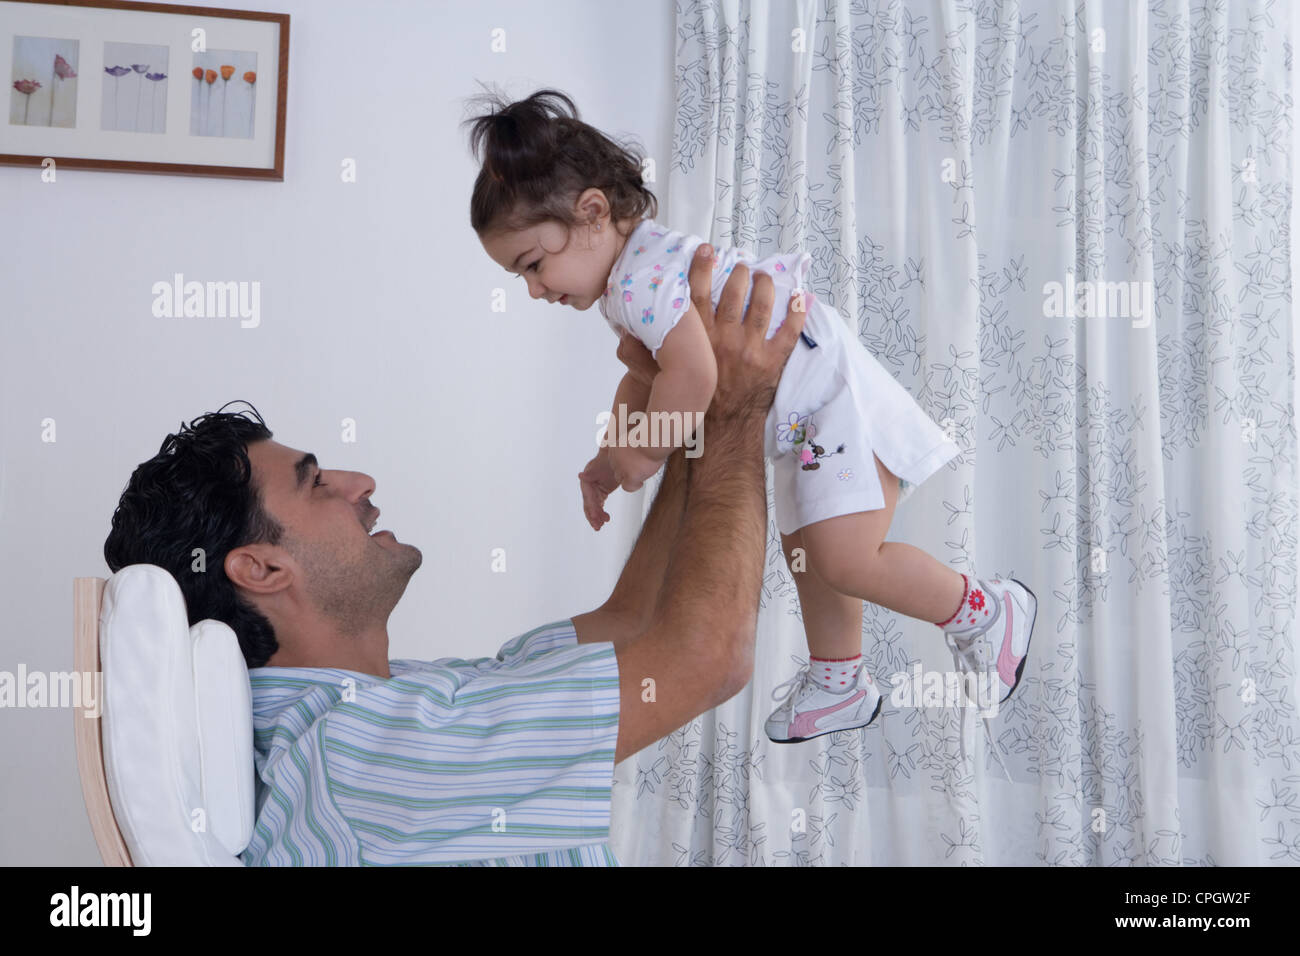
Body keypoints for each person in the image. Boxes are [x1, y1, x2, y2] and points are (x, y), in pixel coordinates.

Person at [101, 247, 802, 865]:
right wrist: (738, 407)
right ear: (260, 568)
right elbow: (708, 657)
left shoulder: (396, 704)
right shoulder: (356, 758)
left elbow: (637, 620)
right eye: (316, 483)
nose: (360, 483)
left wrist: (695, 405)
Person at [469, 88, 1037, 751]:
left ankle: (984, 610)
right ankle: (840, 676)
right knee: (808, 549)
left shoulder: (639, 283)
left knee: (844, 558)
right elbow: (645, 376)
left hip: (824, 395)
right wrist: (608, 456)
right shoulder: (631, 280)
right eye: (520, 279)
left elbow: (694, 377)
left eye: (534, 265)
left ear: (592, 212)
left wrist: (642, 452)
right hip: (801, 411)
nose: (535, 290)